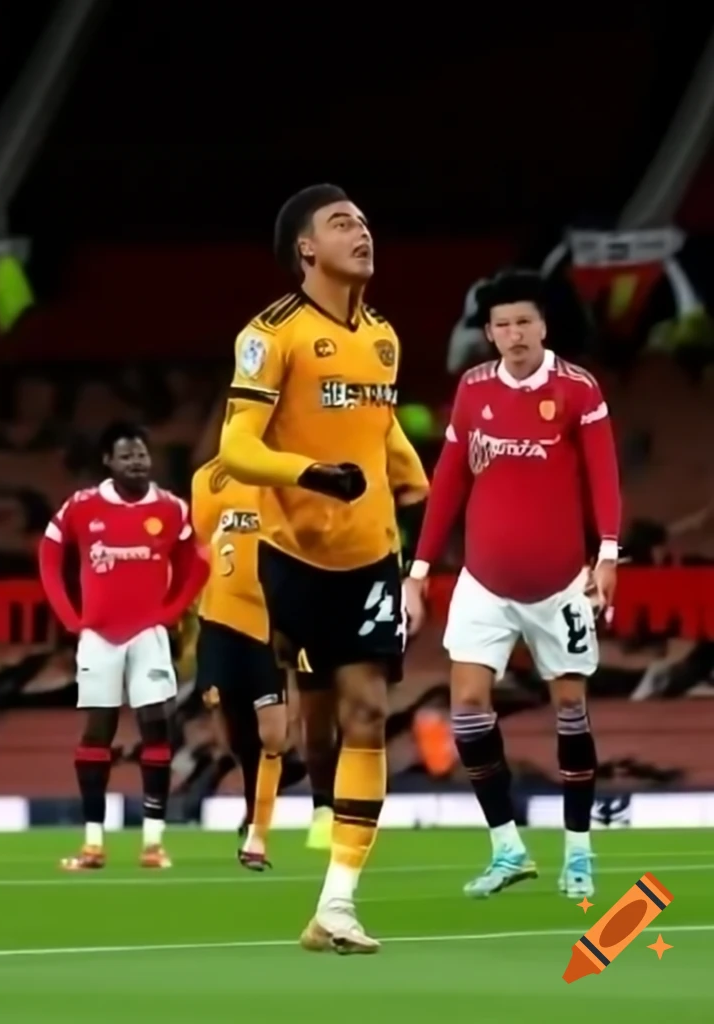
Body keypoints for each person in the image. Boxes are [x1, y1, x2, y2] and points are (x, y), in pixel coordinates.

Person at [219, 184, 428, 953]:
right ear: (306, 247)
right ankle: (290, 818)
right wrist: (309, 473)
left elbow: (379, 425)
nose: (361, 232)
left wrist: (414, 477)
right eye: (342, 223)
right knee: (312, 724)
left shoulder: (384, 336)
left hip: (372, 556)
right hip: (295, 557)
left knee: (368, 710)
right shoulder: (272, 333)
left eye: (365, 221)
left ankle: (336, 903)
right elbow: (237, 446)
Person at [403, 269, 620, 901]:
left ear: (543, 326)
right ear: (489, 333)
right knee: (467, 707)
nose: (514, 334)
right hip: (484, 582)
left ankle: (578, 854)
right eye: (502, 325)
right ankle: (507, 849)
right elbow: (449, 481)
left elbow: (604, 475)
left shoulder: (578, 389)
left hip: (561, 584)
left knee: (570, 710)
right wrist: (418, 572)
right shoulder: (473, 389)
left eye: (524, 321)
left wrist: (608, 554)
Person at [39, 422, 209, 870]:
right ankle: (93, 845)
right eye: (126, 455)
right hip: (99, 637)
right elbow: (49, 556)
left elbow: (197, 563)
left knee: (157, 730)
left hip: (148, 636)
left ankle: (153, 844)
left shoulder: (171, 507)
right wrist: (70, 617)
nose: (136, 462)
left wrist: (171, 612)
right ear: (107, 461)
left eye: (141, 454)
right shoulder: (82, 505)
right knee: (98, 732)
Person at [189, 456, 287, 870]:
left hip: (269, 626)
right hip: (220, 623)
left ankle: (258, 837)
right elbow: (201, 542)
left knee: (273, 735)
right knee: (237, 736)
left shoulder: (288, 472)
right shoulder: (210, 477)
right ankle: (252, 805)